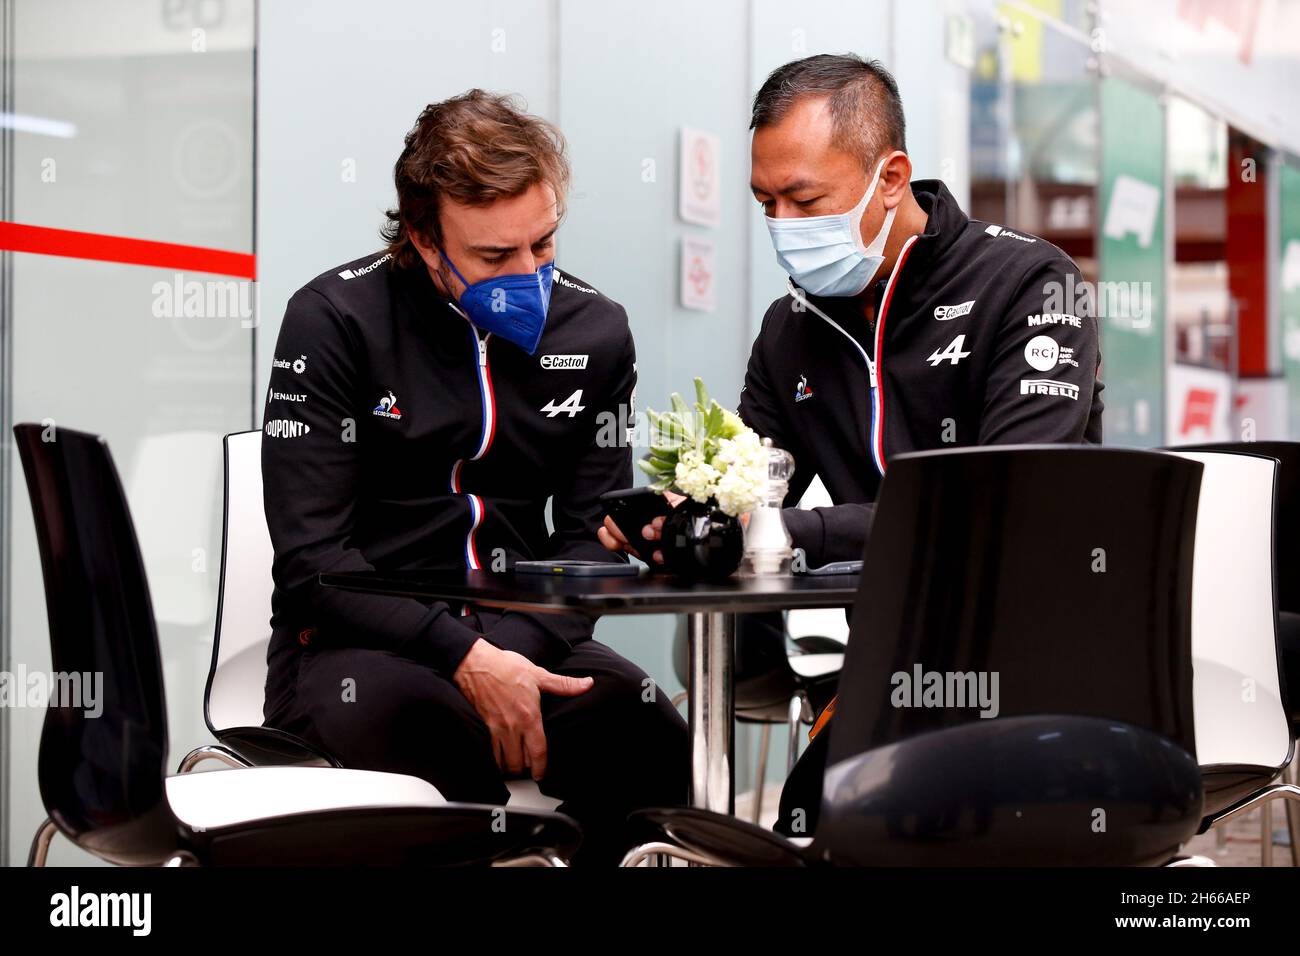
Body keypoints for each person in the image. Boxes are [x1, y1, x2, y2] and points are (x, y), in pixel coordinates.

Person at [600, 53, 1104, 836]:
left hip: (1039, 662)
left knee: (845, 821)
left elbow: (999, 506)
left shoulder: (1031, 285)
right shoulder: (792, 327)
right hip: (894, 668)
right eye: (766, 202)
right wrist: (683, 518)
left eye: (805, 199)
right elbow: (750, 483)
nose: (784, 227)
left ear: (891, 176)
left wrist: (786, 530)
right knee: (805, 822)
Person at [260, 90, 688, 865]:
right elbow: (314, 563)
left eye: (545, 245)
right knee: (426, 736)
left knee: (651, 731)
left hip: (529, 635)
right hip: (359, 646)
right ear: (425, 240)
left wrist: (511, 656)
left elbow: (595, 539)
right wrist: (465, 657)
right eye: (494, 258)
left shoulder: (596, 332)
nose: (527, 274)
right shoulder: (334, 319)